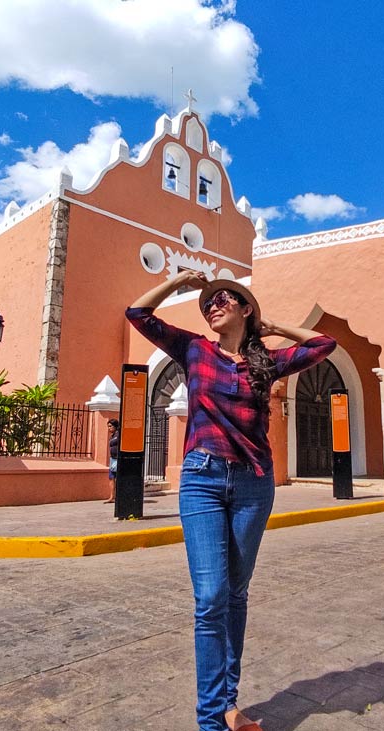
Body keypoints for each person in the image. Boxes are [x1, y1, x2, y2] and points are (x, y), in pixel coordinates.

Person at [127, 270, 336, 731]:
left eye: (224, 299)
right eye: (207, 303)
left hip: (253, 483)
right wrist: (180, 280)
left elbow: (323, 345)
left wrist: (274, 327)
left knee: (235, 596)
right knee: (211, 596)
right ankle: (211, 720)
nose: (212, 305)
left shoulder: (267, 363)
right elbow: (138, 313)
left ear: (244, 309)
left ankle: (228, 702)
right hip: (202, 479)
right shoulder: (194, 350)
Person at [104, 418, 120, 504]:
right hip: (112, 459)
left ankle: (118, 496)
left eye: (110, 426)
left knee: (118, 478)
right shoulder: (113, 435)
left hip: (118, 459)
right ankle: (111, 496)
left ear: (115, 426)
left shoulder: (119, 435)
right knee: (111, 478)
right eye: (108, 426)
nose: (109, 428)